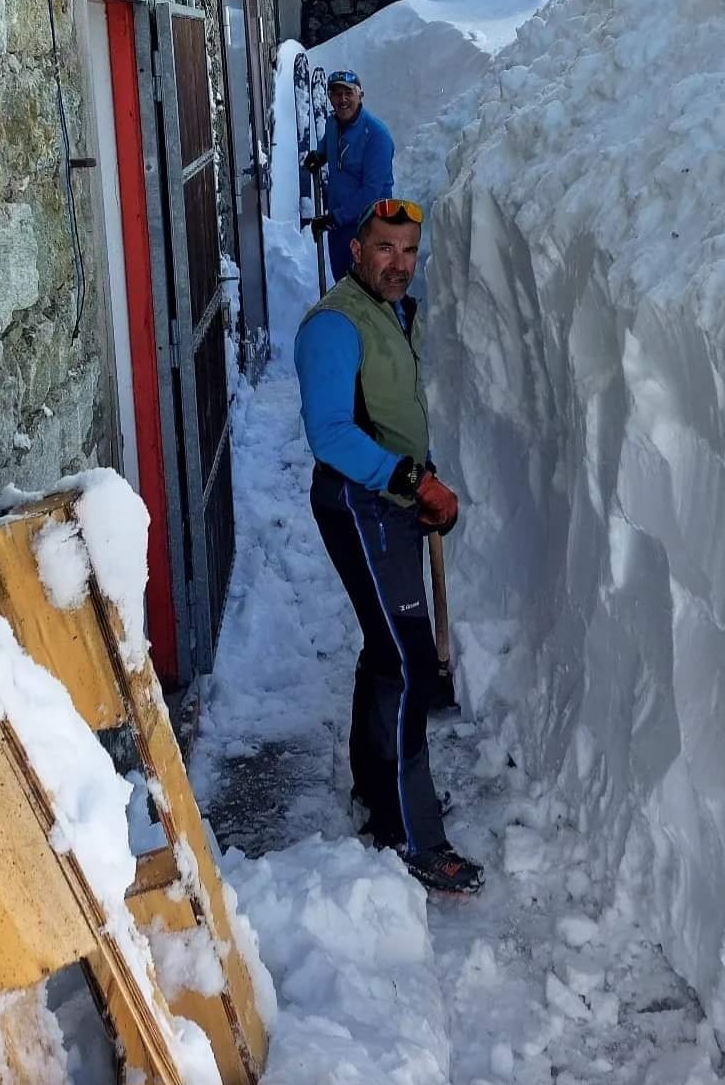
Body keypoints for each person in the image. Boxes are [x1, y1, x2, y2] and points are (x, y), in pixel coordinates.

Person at [293, 198, 484, 896]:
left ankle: (384, 799)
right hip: (362, 503)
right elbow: (330, 433)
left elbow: (395, 411)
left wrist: (421, 481)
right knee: (406, 662)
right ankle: (413, 836)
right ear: (356, 250)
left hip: (393, 500)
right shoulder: (336, 324)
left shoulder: (393, 312)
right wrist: (410, 480)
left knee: (386, 650)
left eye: (409, 250)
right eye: (384, 248)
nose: (398, 263)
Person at [305, 70, 395, 284]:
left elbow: (371, 193)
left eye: (348, 93)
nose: (342, 99)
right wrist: (320, 155)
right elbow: (331, 143)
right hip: (340, 227)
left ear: (360, 95)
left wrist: (335, 218)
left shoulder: (376, 135)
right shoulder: (333, 123)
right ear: (329, 97)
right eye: (336, 93)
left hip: (369, 228)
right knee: (344, 285)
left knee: (369, 291)